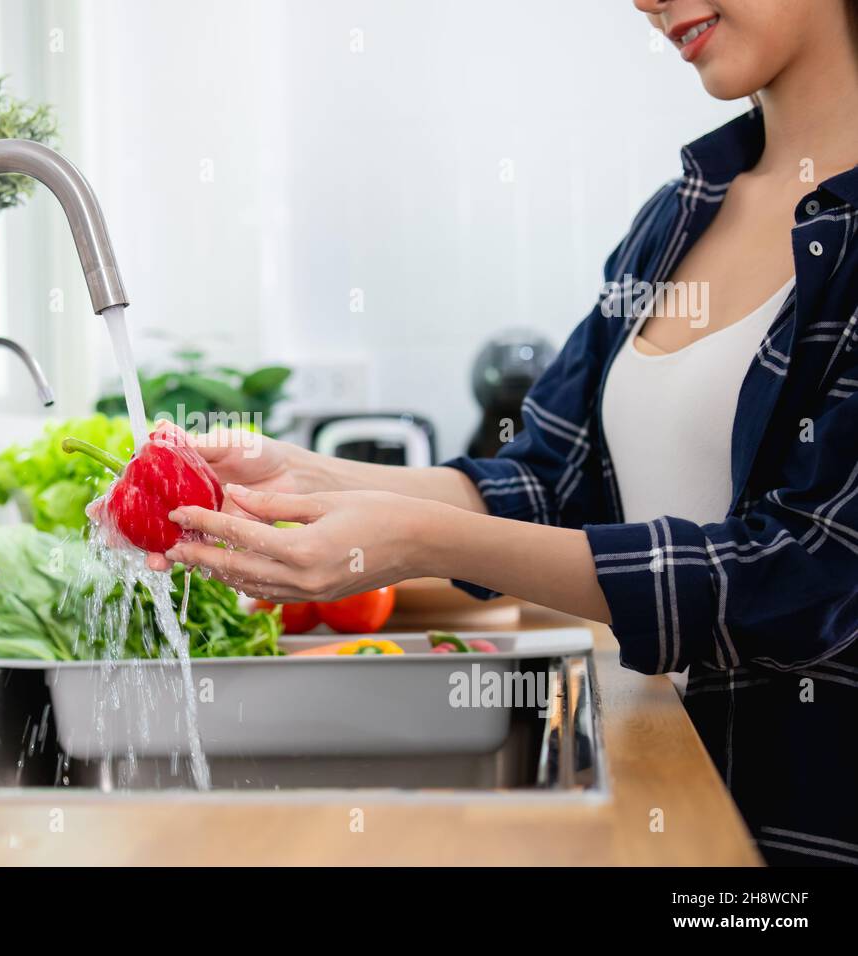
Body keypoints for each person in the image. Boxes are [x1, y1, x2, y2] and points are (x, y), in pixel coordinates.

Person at [149, 0, 858, 865]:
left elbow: (808, 578)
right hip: (678, 795)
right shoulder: (678, 217)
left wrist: (413, 538)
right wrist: (298, 475)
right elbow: (552, 481)